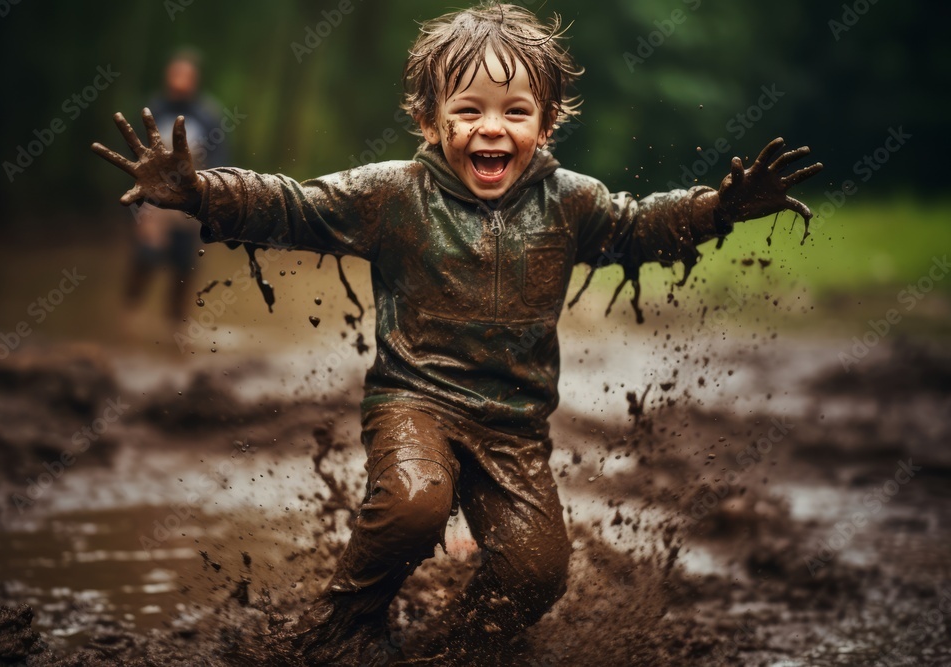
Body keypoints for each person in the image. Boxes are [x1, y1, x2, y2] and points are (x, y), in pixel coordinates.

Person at [92, 4, 821, 664]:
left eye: (515, 111)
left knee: (537, 573)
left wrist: (721, 206)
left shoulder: (573, 203)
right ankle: (342, 626)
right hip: (415, 402)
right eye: (468, 109)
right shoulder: (392, 194)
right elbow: (294, 205)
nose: (491, 127)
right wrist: (197, 191)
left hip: (514, 425)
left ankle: (452, 646)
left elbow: (641, 225)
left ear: (546, 122)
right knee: (414, 498)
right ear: (432, 121)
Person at [123, 49, 228, 326]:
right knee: (146, 256)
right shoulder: (154, 109)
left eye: (186, 75)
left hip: (190, 201)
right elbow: (136, 159)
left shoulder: (208, 115)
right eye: (176, 74)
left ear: (195, 80)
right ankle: (128, 317)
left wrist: (210, 204)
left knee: (184, 266)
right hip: (154, 199)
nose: (180, 81)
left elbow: (219, 160)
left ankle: (175, 326)